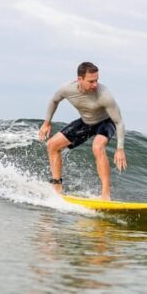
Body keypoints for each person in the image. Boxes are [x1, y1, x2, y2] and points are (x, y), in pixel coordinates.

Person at [38, 62, 127, 200]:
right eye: (91, 81)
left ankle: (105, 194)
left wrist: (120, 148)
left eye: (97, 80)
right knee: (52, 145)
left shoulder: (104, 95)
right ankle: (57, 188)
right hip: (86, 122)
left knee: (97, 147)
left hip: (105, 122)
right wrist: (47, 122)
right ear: (80, 79)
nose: (95, 84)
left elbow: (119, 122)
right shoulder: (67, 89)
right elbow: (54, 100)